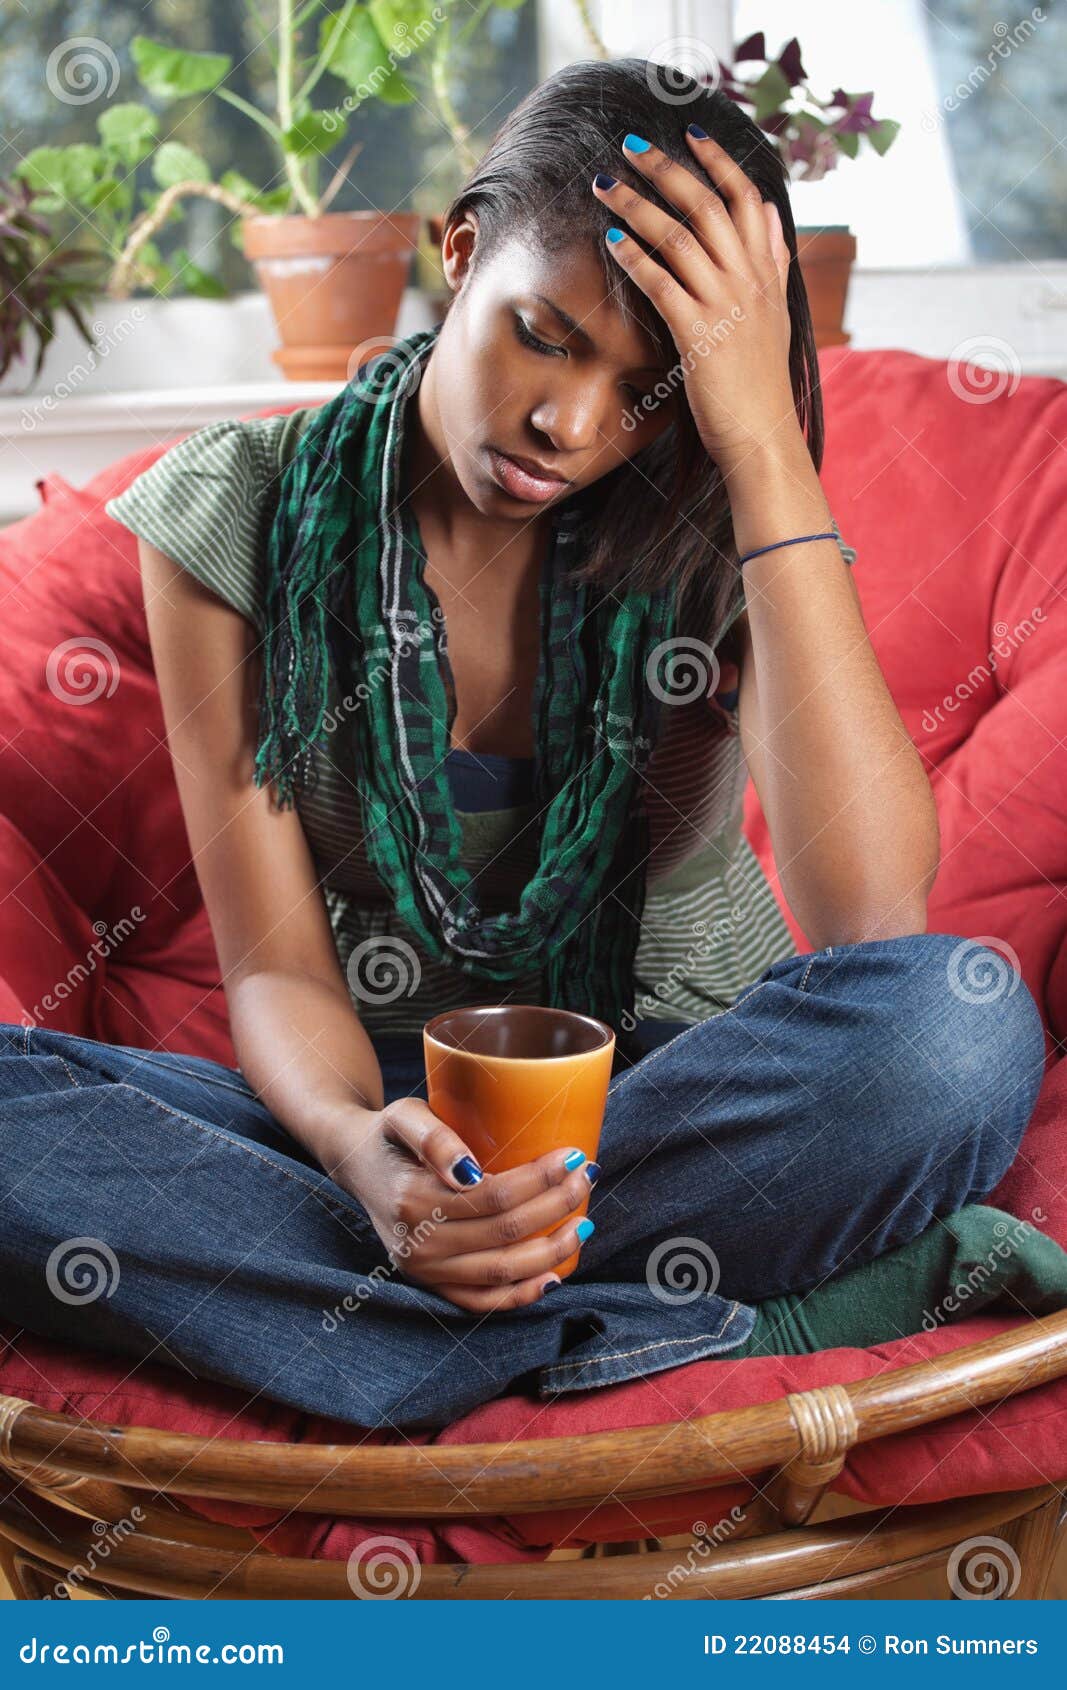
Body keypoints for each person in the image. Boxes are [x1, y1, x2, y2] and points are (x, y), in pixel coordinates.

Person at [0, 62, 1046, 1431]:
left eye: (646, 389)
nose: (575, 424)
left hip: (692, 1098)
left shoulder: (711, 503)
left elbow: (870, 919)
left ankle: (375, 1334)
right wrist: (356, 1155)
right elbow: (271, 965)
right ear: (459, 249)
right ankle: (693, 1325)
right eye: (546, 336)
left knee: (958, 1029)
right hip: (389, 1120)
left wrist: (755, 443)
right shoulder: (232, 515)